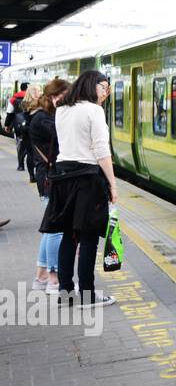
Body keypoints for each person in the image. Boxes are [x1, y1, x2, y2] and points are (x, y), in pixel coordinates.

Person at [40, 71, 117, 308]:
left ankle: (65, 292)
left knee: (68, 237)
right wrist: (113, 185)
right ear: (91, 86)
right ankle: (87, 295)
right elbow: (101, 151)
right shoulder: (94, 111)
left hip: (64, 178)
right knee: (89, 238)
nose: (106, 92)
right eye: (103, 87)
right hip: (87, 178)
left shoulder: (62, 109)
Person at [29, 78, 71, 294]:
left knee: (50, 229)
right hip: (50, 179)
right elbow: (62, 135)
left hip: (49, 177)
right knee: (55, 230)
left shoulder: (45, 117)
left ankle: (41, 275)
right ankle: (54, 278)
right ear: (55, 96)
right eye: (65, 96)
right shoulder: (43, 120)